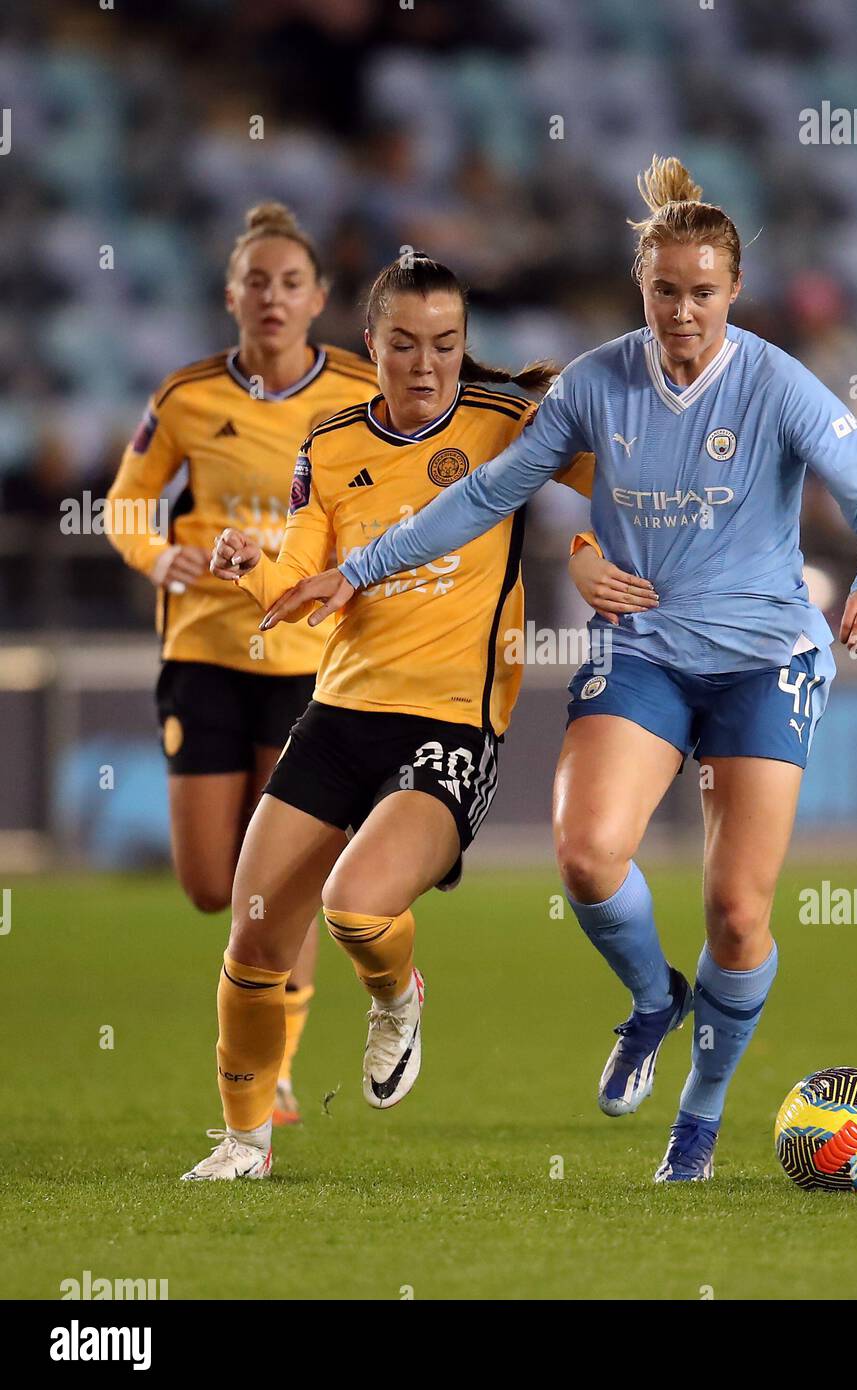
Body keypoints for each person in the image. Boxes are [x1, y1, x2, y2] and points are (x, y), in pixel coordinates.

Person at [265, 157, 857, 1183]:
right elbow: (484, 493)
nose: (685, 311)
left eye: (704, 292)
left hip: (762, 661)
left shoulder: (779, 384)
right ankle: (655, 1000)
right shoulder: (594, 386)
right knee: (585, 854)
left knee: (738, 911)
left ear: (733, 292)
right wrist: (355, 569)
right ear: (642, 287)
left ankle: (697, 1122)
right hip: (645, 650)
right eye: (666, 290)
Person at [180, 253, 593, 1181]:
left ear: (463, 348)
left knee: (357, 909)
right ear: (371, 346)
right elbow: (303, 577)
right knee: (252, 932)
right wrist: (253, 565)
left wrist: (592, 547)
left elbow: (627, 494)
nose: (426, 363)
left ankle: (397, 995)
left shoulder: (507, 425)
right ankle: (245, 1143)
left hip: (454, 722)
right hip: (340, 711)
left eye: (446, 344)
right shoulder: (328, 447)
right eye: (404, 343)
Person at [105, 202, 379, 1124]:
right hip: (206, 652)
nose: (272, 297)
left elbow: (385, 492)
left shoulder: (354, 390)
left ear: (319, 298)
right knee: (208, 885)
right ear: (232, 296)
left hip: (308, 663)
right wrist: (157, 554)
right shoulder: (186, 398)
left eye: (290, 282)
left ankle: (280, 1066)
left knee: (280, 880)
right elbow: (127, 503)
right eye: (256, 282)